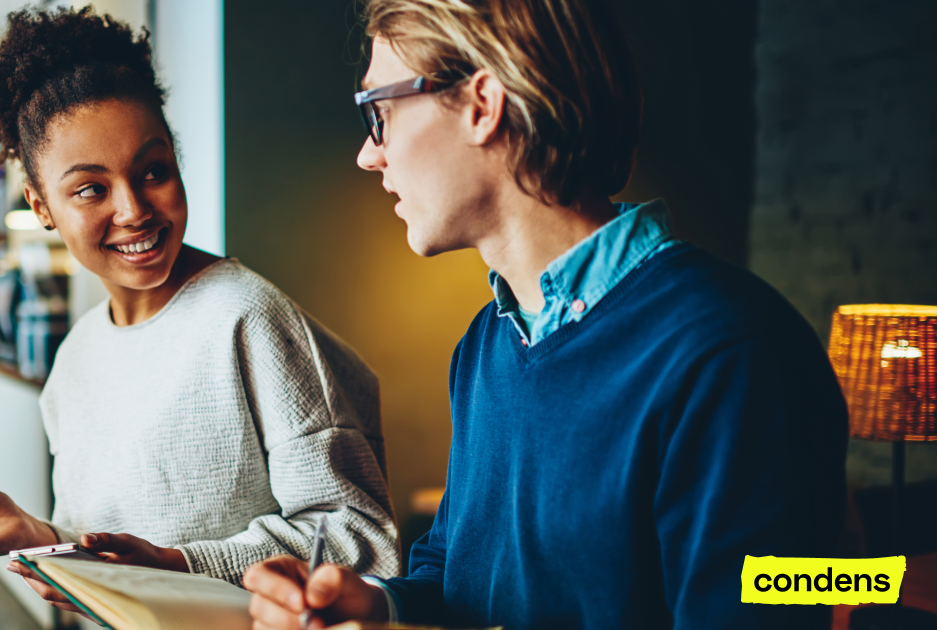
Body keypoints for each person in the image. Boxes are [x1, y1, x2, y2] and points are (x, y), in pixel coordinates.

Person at [242, 1, 848, 628]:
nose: (370, 156)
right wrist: (376, 604)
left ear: (483, 103)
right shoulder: (487, 345)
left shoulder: (735, 353)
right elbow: (456, 578)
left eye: (380, 113)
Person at [0, 5, 399, 605]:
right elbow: (116, 563)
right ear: (41, 205)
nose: (133, 209)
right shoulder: (74, 363)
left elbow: (359, 539)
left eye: (153, 170)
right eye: (91, 188)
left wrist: (178, 565)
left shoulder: (246, 317)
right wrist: (45, 539)